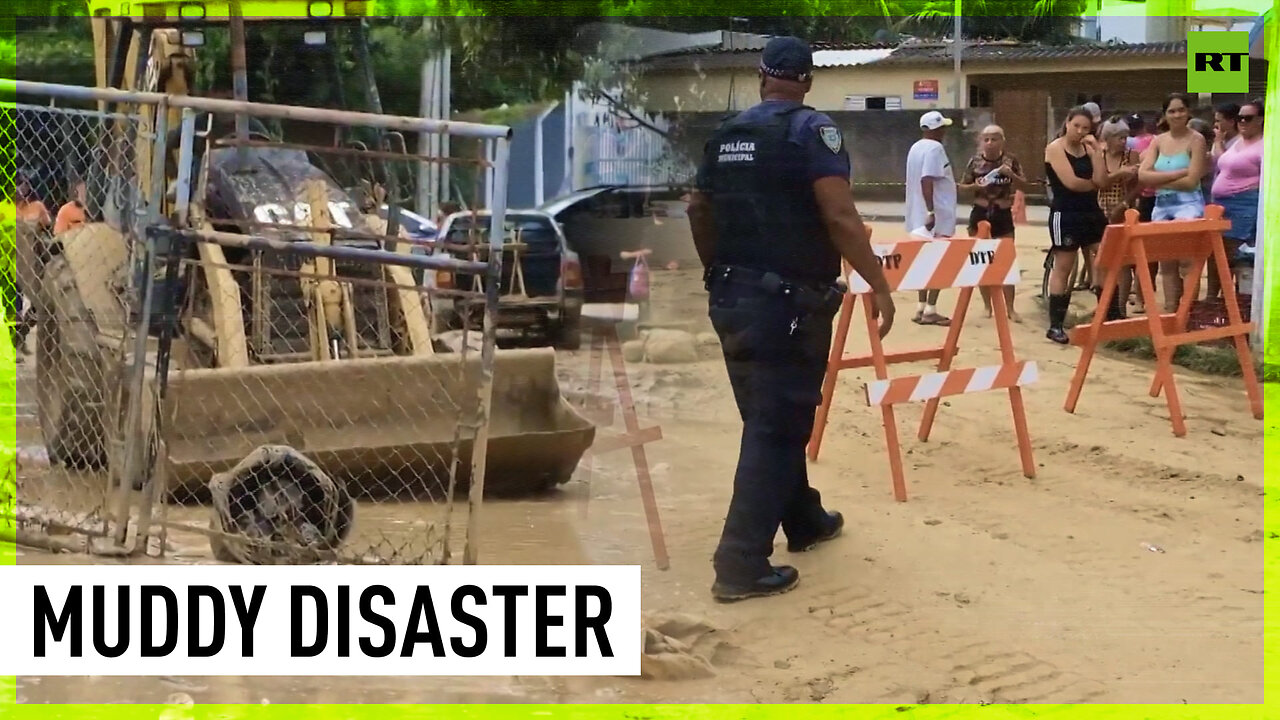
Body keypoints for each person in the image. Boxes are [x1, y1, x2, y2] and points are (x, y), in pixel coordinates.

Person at [687, 35, 895, 603]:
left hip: (730, 296)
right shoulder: (811, 131)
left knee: (768, 414)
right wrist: (878, 282)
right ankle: (740, 564)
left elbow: (698, 208)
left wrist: (717, 272)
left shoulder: (727, 133)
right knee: (777, 426)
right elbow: (840, 215)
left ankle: (803, 520)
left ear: (761, 76)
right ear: (807, 80)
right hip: (788, 304)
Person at [1044, 106, 1112, 344]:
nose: (1080, 132)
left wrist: (1097, 155)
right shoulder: (1055, 148)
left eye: (1086, 128)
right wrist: (1094, 183)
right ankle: (1056, 324)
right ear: (1067, 123)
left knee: (1105, 257)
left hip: (1091, 211)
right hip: (1066, 212)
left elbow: (1103, 181)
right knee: (1064, 265)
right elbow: (1071, 183)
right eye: (1076, 126)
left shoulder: (1089, 148)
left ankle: (1108, 315)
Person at [1139, 92, 1208, 313]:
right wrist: (1179, 173)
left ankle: (1188, 312)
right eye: (1172, 110)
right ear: (1165, 114)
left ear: (1188, 112)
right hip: (1162, 204)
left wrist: (1160, 180)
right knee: (1166, 262)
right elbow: (1143, 176)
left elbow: (1192, 181)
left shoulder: (1197, 139)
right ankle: (1170, 311)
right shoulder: (1158, 141)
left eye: (1181, 110)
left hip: (1188, 203)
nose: (1177, 114)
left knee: (1187, 262)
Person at [957, 124, 1025, 321]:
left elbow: (1024, 185)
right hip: (980, 213)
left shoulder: (1010, 161)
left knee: (1006, 261)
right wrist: (975, 185)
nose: (990, 143)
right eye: (986, 139)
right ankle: (988, 307)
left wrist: (1010, 175)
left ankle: (1010, 308)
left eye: (994, 139)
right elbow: (962, 187)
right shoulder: (975, 161)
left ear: (1002, 141)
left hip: (1003, 213)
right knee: (980, 260)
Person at [904, 110, 957, 326]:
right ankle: (931, 309)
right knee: (938, 262)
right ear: (937, 129)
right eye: (942, 127)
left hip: (917, 216)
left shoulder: (915, 147)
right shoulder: (935, 149)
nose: (945, 131)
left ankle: (921, 307)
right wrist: (932, 211)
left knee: (923, 263)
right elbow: (927, 179)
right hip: (936, 216)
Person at [1210, 98, 1264, 296]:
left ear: (1260, 120)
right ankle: (1224, 303)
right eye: (1239, 118)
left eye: (1247, 118)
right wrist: (1218, 141)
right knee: (1219, 256)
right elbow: (1219, 160)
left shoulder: (1265, 145)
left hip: (1245, 204)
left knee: (1237, 256)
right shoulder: (1238, 142)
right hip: (1222, 204)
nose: (1241, 122)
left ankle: (1241, 306)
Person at [1095, 116, 1140, 316]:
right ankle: (1104, 306)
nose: (1123, 141)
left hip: (1123, 209)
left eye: (1125, 137)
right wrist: (1119, 173)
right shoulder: (1099, 155)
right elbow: (1100, 182)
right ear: (1108, 138)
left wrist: (1123, 205)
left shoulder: (1131, 155)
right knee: (1101, 259)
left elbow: (1136, 186)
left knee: (1123, 262)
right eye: (1119, 137)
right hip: (1099, 208)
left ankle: (1120, 309)